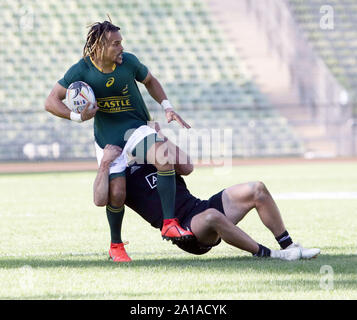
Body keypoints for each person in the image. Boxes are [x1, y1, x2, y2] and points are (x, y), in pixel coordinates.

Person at [44, 19, 193, 262]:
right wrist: (77, 117)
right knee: (116, 194)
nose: (121, 48)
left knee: (164, 158)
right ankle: (116, 246)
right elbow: (50, 101)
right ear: (99, 47)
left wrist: (167, 107)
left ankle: (169, 223)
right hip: (108, 139)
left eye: (121, 43)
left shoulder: (129, 62)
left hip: (135, 129)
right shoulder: (81, 70)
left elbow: (151, 81)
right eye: (115, 44)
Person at [94, 144, 321, 262]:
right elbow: (99, 199)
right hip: (184, 229)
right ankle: (267, 254)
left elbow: (187, 167)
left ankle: (289, 246)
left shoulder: (152, 154)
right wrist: (105, 163)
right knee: (213, 216)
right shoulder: (120, 175)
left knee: (257, 188)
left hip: (200, 207)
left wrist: (160, 139)